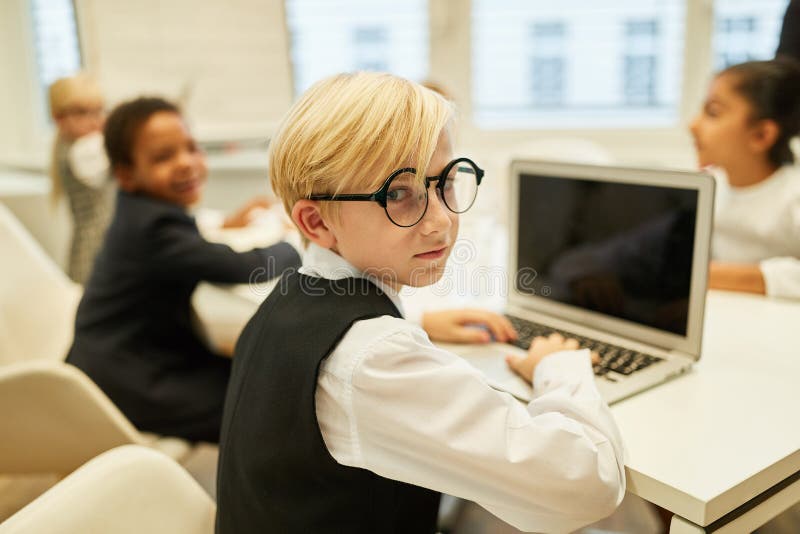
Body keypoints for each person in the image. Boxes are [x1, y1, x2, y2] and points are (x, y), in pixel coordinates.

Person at [215, 72, 626, 533]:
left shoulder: (289, 297)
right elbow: (589, 483)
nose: (441, 220)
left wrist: (420, 322)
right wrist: (559, 367)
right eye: (397, 194)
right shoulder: (373, 359)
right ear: (317, 223)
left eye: (446, 182)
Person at [66, 97, 301, 443]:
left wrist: (230, 223)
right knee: (265, 406)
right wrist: (295, 242)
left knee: (259, 381)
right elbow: (246, 266)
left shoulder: (143, 210)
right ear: (126, 175)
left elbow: (192, 241)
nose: (186, 163)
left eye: (191, 148)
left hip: (129, 356)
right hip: (129, 379)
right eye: (164, 157)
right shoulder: (154, 227)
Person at [689, 59, 800, 298]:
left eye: (713, 113)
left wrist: (709, 275)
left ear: (761, 135)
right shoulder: (710, 184)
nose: (693, 125)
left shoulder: (793, 195)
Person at [49, 73, 115, 284]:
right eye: (82, 112)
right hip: (96, 254)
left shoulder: (77, 145)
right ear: (58, 118)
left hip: (98, 250)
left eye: (99, 110)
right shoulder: (83, 150)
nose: (96, 120)